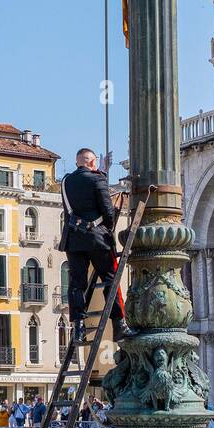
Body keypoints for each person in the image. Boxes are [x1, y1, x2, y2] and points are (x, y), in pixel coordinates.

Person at [61, 148, 137, 346]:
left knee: (76, 284)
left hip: (73, 241)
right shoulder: (97, 180)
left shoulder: (66, 182)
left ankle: (78, 328)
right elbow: (108, 211)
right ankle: (119, 324)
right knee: (111, 279)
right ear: (92, 163)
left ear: (78, 162)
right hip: (97, 239)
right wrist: (108, 229)